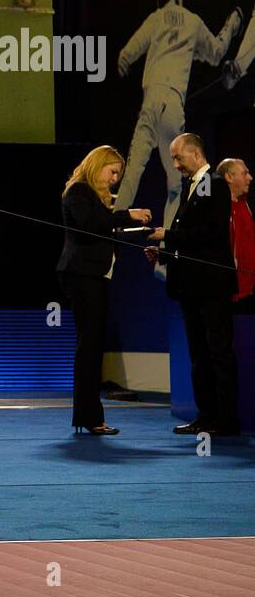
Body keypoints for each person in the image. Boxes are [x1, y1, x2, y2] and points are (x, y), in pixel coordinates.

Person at [114, 0, 242, 239]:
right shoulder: (193, 23)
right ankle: (167, 248)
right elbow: (217, 52)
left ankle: (112, 228)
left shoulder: (156, 18)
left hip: (150, 100)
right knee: (175, 184)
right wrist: (232, 24)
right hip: (172, 102)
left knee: (134, 168)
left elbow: (126, 56)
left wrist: (127, 64)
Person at [144, 134, 240, 435]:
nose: (174, 164)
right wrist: (164, 254)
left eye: (178, 157)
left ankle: (225, 420)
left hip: (212, 288)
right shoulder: (192, 186)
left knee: (217, 353)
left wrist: (166, 236)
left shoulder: (212, 183)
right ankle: (207, 415)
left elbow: (209, 235)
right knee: (200, 355)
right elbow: (195, 243)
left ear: (195, 153)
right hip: (193, 287)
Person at [56, 146, 151, 434]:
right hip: (82, 276)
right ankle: (89, 417)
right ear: (98, 165)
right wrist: (127, 215)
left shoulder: (94, 196)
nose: (114, 179)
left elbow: (102, 228)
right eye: (112, 172)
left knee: (93, 346)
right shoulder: (78, 191)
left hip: (94, 276)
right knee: (89, 347)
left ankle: (89, 417)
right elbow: (90, 225)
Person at [217, 157, 255, 314]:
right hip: (232, 294)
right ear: (229, 177)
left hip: (250, 291)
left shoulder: (246, 203)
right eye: (245, 173)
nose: (250, 177)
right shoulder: (218, 211)